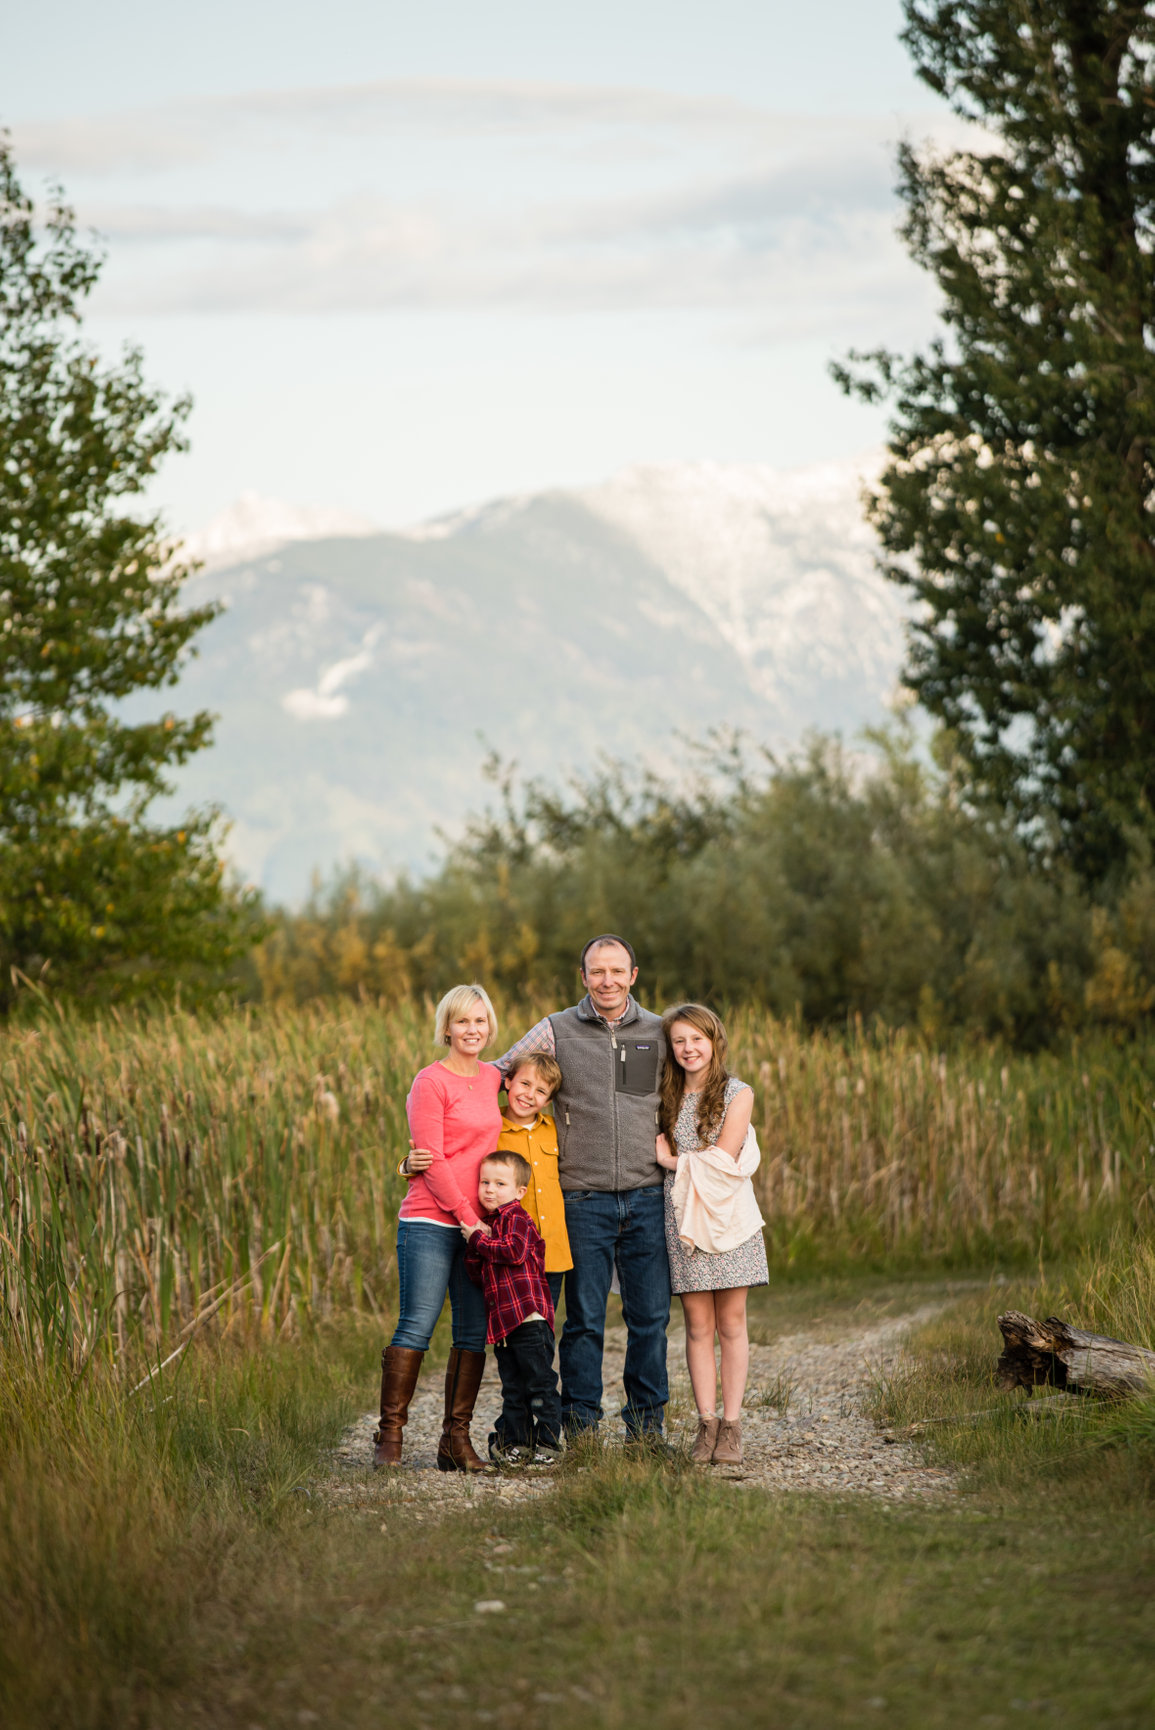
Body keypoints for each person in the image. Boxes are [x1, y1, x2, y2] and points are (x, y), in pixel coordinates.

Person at [497, 935, 669, 1445]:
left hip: (647, 1194)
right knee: (585, 1320)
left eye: (617, 971)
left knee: (650, 1320)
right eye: (597, 971)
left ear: (633, 975)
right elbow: (499, 1074)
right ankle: (581, 1428)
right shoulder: (556, 1029)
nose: (607, 981)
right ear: (583, 976)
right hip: (581, 1198)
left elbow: (697, 1083)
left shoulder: (659, 1030)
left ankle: (646, 1431)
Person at [373, 984, 502, 1472]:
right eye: (463, 1021)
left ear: (490, 1027)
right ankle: (390, 1436)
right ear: (446, 1028)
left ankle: (455, 1441)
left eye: (480, 1021)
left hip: (479, 1226)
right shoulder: (429, 1082)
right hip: (431, 1220)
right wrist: (469, 1220)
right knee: (418, 1323)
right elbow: (432, 1160)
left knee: (473, 1330)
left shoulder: (494, 1077)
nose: (472, 1029)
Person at [654, 1003, 767, 1466]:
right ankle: (706, 1424)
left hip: (729, 1218)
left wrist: (671, 1162)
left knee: (731, 1323)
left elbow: (723, 1159)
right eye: (679, 1040)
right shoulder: (664, 1095)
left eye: (696, 1039)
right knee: (697, 1326)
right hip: (685, 1220)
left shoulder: (738, 1093)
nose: (688, 1048)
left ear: (713, 1041)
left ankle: (732, 1426)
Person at [463, 1151, 563, 1464]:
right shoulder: (490, 1225)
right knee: (513, 1388)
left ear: (519, 1191)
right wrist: (475, 1246)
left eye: (500, 1184)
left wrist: (478, 1240)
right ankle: (519, 1444)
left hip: (529, 1319)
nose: (489, 1189)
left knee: (539, 1384)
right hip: (505, 1325)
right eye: (485, 1182)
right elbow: (478, 1274)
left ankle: (548, 1445)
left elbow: (515, 1252)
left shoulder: (516, 1218)